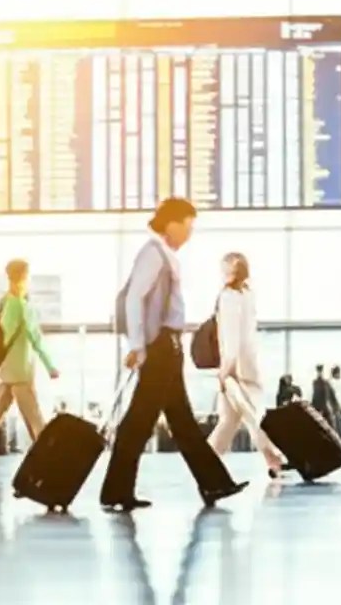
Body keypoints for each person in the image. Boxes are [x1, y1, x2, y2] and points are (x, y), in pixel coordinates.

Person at [101, 198, 245, 512]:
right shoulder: (152, 254)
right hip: (159, 346)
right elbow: (135, 299)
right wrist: (138, 345)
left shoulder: (163, 254)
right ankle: (115, 490)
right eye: (188, 226)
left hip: (168, 345)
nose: (189, 234)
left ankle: (214, 483)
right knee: (141, 420)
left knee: (180, 420)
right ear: (171, 224)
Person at [0, 261, 59, 477]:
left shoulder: (6, 301)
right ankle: (49, 464)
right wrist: (50, 365)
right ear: (25, 276)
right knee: (35, 419)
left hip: (8, 369)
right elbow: (33, 339)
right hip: (20, 370)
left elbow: (4, 338)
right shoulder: (18, 304)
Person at [206, 252, 287, 477]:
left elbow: (231, 338)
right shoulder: (248, 295)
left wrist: (225, 370)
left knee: (248, 415)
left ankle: (207, 462)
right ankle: (271, 457)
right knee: (233, 419)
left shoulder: (227, 297)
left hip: (235, 368)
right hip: (250, 363)